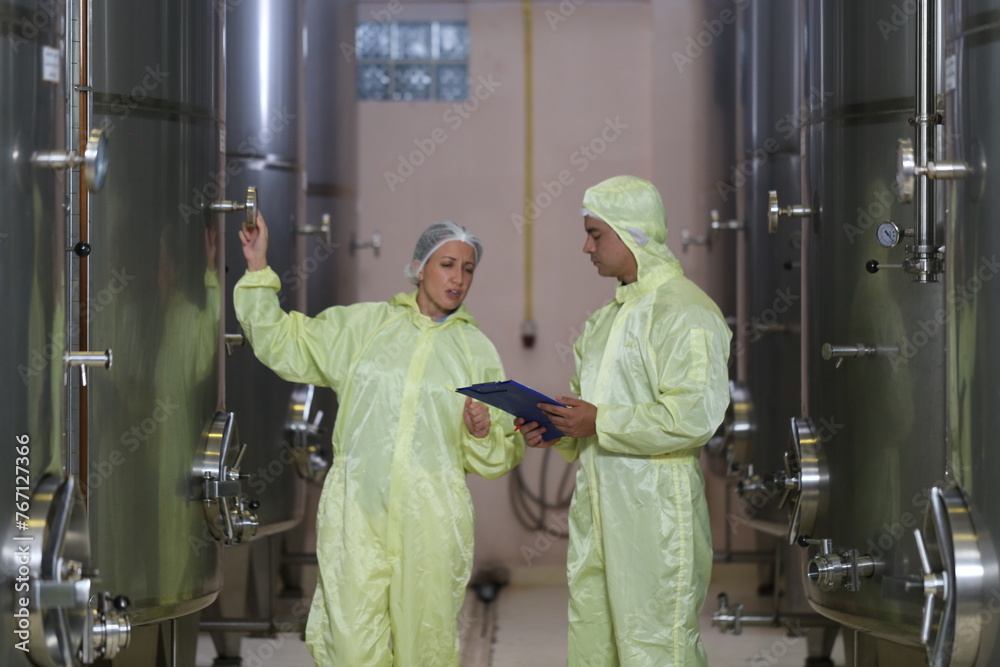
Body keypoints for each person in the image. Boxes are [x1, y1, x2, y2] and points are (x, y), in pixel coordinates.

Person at [234, 213, 524, 665]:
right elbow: (285, 341)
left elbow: (501, 451)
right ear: (418, 266)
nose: (458, 278)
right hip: (357, 513)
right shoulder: (365, 328)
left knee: (424, 646)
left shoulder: (477, 352)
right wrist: (257, 268)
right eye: (447, 264)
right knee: (351, 644)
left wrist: (482, 433)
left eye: (468, 269)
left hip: (432, 520)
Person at [516, 175, 732, 666]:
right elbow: (596, 422)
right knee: (596, 646)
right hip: (598, 515)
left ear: (633, 233)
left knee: (658, 650)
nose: (585, 247)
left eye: (596, 234)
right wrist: (559, 429)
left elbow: (693, 416)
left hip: (656, 518)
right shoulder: (603, 323)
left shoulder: (687, 313)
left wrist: (599, 421)